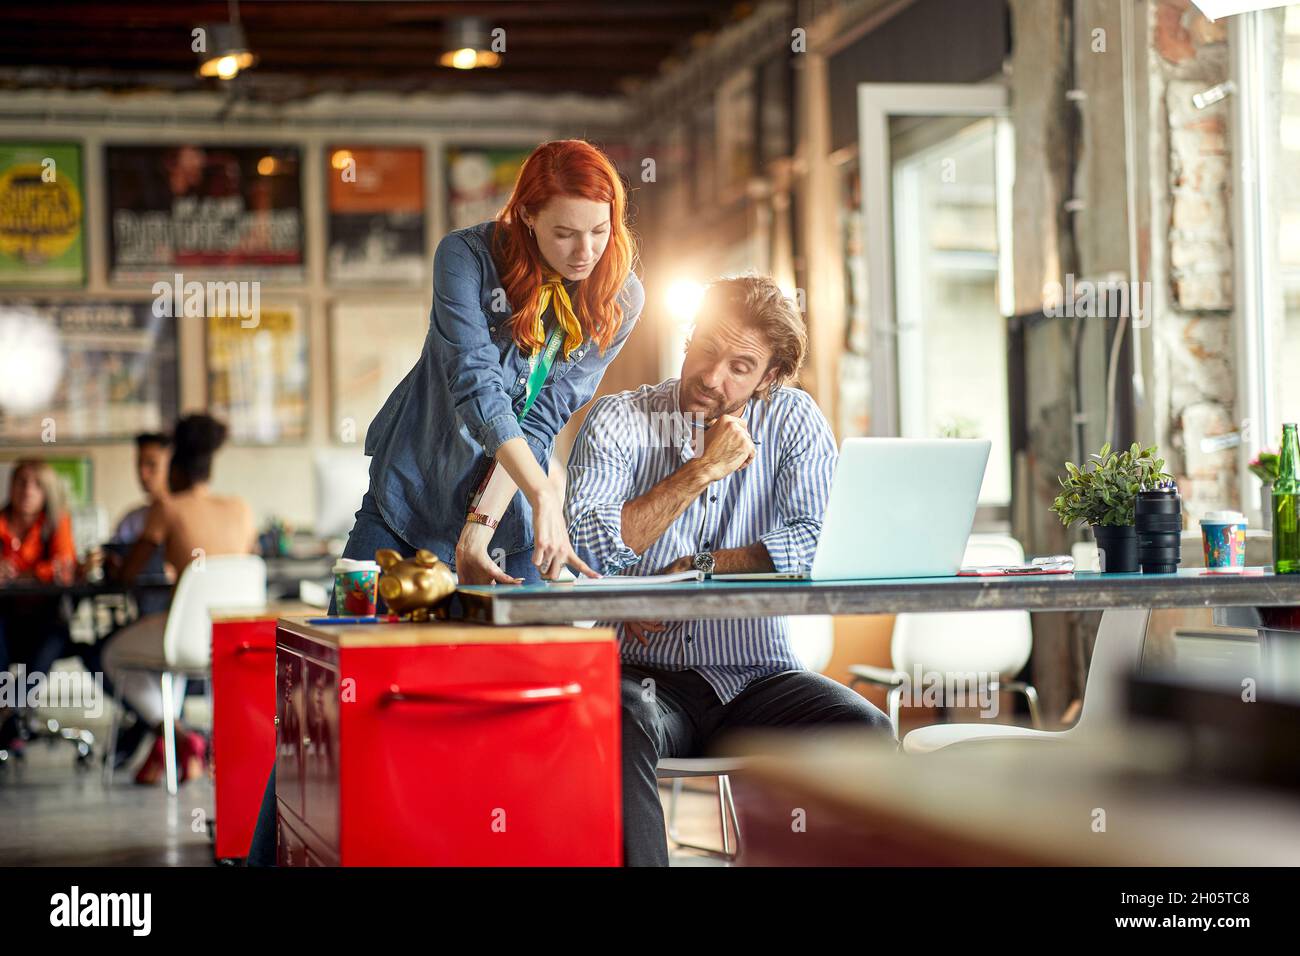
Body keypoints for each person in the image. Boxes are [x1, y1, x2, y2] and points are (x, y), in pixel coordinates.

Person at [245, 138, 644, 865]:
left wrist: (488, 525)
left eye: (600, 228)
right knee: (334, 691)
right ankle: (272, 859)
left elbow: (544, 414)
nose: (585, 249)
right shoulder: (464, 257)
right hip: (403, 505)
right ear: (525, 217)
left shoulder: (621, 294)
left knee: (504, 709)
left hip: (504, 531)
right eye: (563, 232)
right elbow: (476, 387)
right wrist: (544, 491)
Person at [564, 275, 895, 866]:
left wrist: (697, 568)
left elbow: (818, 542)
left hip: (757, 679)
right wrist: (699, 472)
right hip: (645, 679)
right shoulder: (619, 418)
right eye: (709, 349)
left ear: (769, 379)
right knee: (616, 714)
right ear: (689, 336)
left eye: (741, 366)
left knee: (864, 729)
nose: (714, 376)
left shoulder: (792, 421)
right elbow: (589, 551)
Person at [102, 414, 255, 785]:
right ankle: (178, 740)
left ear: (175, 467)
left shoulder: (167, 508)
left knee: (112, 656)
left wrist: (114, 564)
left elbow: (128, 576)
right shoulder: (240, 508)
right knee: (174, 665)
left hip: (186, 637)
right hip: (235, 641)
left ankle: (177, 734)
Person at [0, 460, 80, 754]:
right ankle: (10, 715)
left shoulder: (55, 524)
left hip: (43, 621)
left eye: (36, 484)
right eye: (21, 481)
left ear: (47, 491)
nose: (27, 490)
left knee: (52, 636)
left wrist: (26, 573)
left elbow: (64, 568)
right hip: (6, 621)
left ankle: (10, 710)